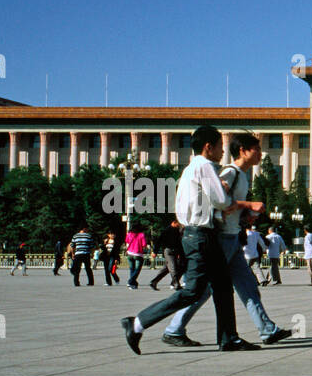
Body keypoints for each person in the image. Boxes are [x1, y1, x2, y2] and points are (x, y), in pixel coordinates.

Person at [120, 124, 255, 354]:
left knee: (222, 286)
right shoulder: (204, 166)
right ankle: (137, 323)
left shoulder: (191, 168)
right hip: (201, 235)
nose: (223, 152)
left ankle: (229, 337)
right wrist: (236, 201)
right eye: (220, 147)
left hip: (199, 234)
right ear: (208, 147)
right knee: (193, 290)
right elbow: (221, 200)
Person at [160, 131, 291, 347]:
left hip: (231, 237)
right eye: (256, 149)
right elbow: (219, 203)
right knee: (208, 289)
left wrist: (245, 216)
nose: (260, 153)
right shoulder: (231, 173)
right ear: (243, 151)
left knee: (247, 285)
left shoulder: (242, 176)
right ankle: (174, 328)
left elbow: (230, 207)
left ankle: (267, 329)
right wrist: (247, 206)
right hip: (221, 239)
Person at [149, 220, 183, 290]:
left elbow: (179, 243)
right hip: (168, 251)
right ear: (173, 223)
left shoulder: (178, 231)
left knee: (167, 268)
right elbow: (159, 241)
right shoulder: (166, 231)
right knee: (173, 267)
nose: (179, 225)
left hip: (176, 251)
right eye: (178, 224)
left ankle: (154, 282)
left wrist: (180, 253)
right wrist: (155, 251)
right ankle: (176, 284)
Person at [124, 223, 148, 289]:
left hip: (130, 253)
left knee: (132, 269)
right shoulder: (141, 235)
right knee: (137, 270)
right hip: (138, 254)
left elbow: (127, 241)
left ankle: (133, 284)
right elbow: (144, 244)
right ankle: (130, 281)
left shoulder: (129, 234)